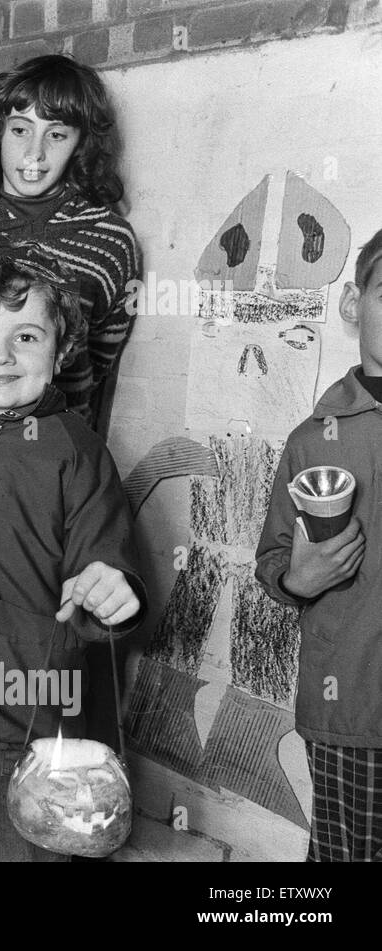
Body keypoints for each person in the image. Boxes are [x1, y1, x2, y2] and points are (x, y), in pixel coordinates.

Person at [0, 244, 144, 862]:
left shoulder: (74, 450)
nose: (0, 356)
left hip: (32, 719)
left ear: (60, 351)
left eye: (27, 336)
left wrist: (110, 591)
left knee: (32, 853)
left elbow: (103, 563)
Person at [255, 227, 382, 862]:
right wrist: (298, 579)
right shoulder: (315, 437)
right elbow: (274, 557)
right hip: (349, 709)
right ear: (356, 305)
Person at [0, 54, 139, 427]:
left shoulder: (110, 239)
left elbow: (101, 356)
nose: (34, 153)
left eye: (56, 134)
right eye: (21, 130)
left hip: (59, 441)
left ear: (81, 144)